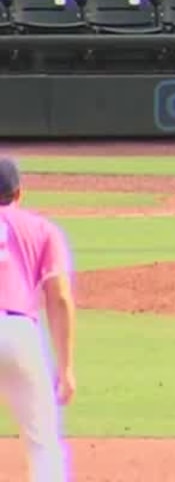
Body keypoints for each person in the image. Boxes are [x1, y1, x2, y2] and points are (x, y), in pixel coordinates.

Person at [0, 156, 78, 482]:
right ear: (20, 193)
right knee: (43, 442)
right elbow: (59, 298)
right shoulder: (43, 229)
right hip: (19, 332)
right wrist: (66, 367)